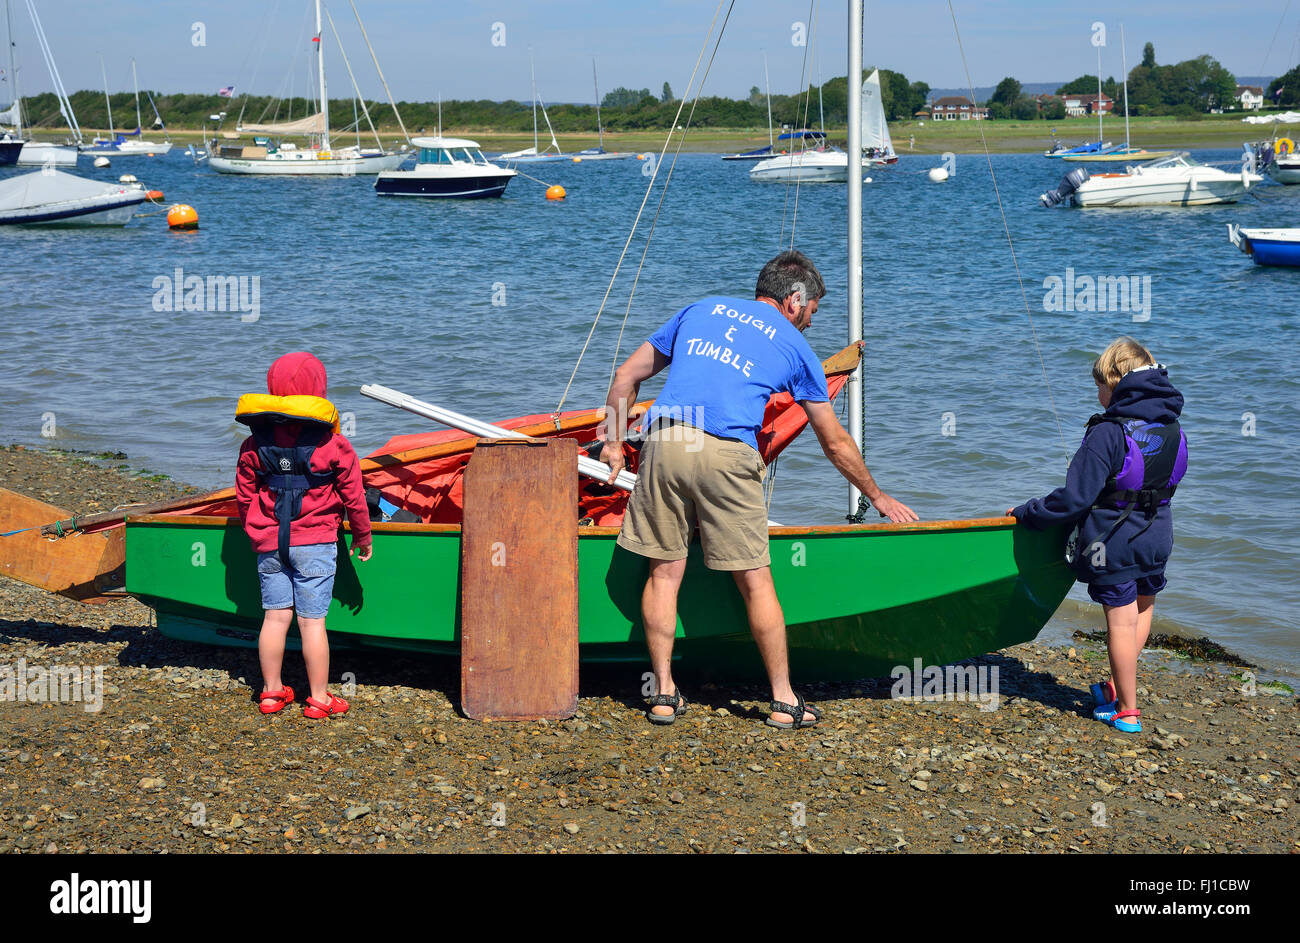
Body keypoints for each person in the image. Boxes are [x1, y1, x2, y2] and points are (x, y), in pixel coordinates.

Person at [600, 250, 918, 729]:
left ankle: (664, 695)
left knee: (664, 574)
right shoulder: (795, 347)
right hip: (726, 453)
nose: (811, 321)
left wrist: (612, 442)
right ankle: (784, 701)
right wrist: (878, 496)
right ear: (794, 301)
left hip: (663, 442)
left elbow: (626, 375)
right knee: (755, 581)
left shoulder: (700, 309)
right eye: (812, 310)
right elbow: (834, 442)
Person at [1009, 338, 1187, 734]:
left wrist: (1028, 512)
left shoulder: (1108, 432)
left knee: (1120, 624)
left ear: (1116, 381)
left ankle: (1127, 709)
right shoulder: (1174, 427)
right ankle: (1117, 685)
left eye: (1100, 385)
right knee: (1143, 610)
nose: (1098, 394)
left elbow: (1074, 500)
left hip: (1115, 540)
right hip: (1159, 534)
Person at [235, 351, 373, 719]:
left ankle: (270, 692)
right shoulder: (333, 444)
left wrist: (254, 530)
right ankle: (319, 699)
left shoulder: (254, 444)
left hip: (269, 542)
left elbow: (244, 495)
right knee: (312, 623)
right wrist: (363, 537)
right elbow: (354, 497)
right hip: (314, 543)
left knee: (275, 618)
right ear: (320, 390)